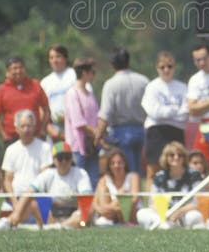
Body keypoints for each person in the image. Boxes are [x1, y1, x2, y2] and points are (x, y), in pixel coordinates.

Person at [0, 141, 92, 230]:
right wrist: (17, 213)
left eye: (67, 157)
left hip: (73, 214)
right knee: (32, 204)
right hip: (51, 214)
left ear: (71, 159)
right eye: (60, 158)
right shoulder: (48, 174)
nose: (64, 161)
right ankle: (10, 222)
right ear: (54, 160)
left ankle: (58, 227)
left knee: (86, 213)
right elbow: (29, 192)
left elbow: (86, 199)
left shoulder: (81, 174)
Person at [94, 47, 149, 175]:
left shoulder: (111, 84)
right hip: (141, 130)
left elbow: (105, 113)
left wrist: (98, 136)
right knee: (138, 171)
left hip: (121, 132)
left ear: (112, 65)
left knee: (125, 171)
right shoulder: (143, 81)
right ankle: (138, 194)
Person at [141, 51, 189, 181]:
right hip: (156, 132)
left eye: (169, 66)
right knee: (153, 169)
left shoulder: (183, 87)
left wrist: (166, 113)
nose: (166, 70)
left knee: (176, 168)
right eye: (162, 67)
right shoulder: (152, 87)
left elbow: (185, 113)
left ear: (174, 67)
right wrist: (174, 111)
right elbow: (153, 112)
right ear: (157, 68)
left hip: (176, 131)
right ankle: (151, 200)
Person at [136, 141, 205, 230]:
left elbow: (198, 202)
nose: (176, 157)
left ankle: (163, 226)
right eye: (172, 155)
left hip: (185, 214)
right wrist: (167, 214)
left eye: (180, 155)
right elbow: (152, 203)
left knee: (195, 216)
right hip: (163, 214)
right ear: (166, 158)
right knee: (141, 213)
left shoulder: (194, 175)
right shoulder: (159, 177)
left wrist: (179, 211)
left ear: (184, 158)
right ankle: (164, 226)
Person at [1, 110, 53, 223]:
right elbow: (7, 181)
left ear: (34, 127)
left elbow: (45, 177)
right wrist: (15, 202)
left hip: (37, 200)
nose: (26, 130)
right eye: (22, 126)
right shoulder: (11, 150)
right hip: (16, 199)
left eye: (29, 126)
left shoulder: (45, 148)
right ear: (16, 128)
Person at [0, 57, 50, 144]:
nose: (18, 71)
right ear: (7, 72)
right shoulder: (1, 90)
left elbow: (46, 110)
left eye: (21, 68)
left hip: (35, 137)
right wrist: (5, 137)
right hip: (12, 139)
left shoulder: (35, 85)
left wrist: (42, 130)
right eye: (15, 68)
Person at [64, 57, 101, 186]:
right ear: (84, 73)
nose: (93, 75)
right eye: (92, 72)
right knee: (78, 180)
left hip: (92, 144)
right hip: (77, 145)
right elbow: (78, 121)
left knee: (92, 180)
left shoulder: (90, 94)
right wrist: (96, 131)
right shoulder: (72, 93)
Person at [186, 43, 209, 166]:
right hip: (205, 125)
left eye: (204, 58)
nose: (201, 63)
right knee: (204, 163)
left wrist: (202, 104)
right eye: (197, 60)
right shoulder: (195, 79)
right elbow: (192, 109)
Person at [93, 148, 141, 226]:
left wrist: (112, 208)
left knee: (123, 192)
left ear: (125, 164)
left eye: (119, 163)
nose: (116, 166)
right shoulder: (104, 179)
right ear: (109, 166)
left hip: (130, 214)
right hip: (109, 215)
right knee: (103, 189)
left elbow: (135, 200)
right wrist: (101, 210)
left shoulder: (133, 177)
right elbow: (95, 202)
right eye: (113, 163)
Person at [41, 44, 77, 142]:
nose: (54, 60)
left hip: (75, 127)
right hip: (54, 130)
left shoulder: (74, 75)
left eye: (58, 57)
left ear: (65, 58)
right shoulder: (45, 82)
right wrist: (49, 128)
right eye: (51, 57)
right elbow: (41, 108)